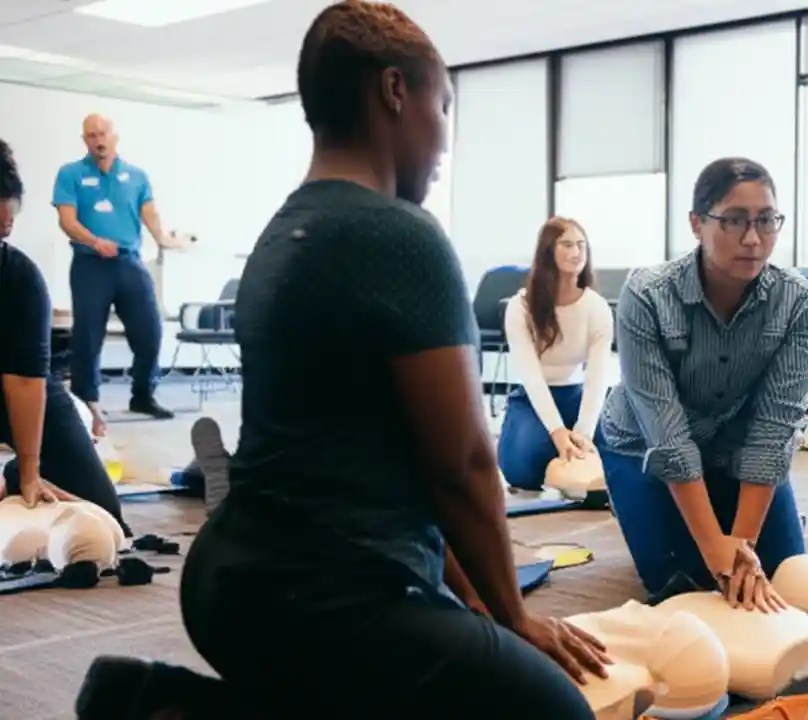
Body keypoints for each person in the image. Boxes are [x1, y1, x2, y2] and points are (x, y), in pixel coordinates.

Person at [75, 3, 607, 719]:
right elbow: (462, 466)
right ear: (395, 91)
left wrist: (475, 602)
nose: (445, 138)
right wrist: (513, 618)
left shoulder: (284, 233)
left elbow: (396, 465)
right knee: (557, 712)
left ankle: (151, 700)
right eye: (442, 105)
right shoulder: (399, 237)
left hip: (230, 582)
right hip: (328, 598)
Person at [599, 156, 808, 612]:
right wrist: (718, 553)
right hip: (642, 448)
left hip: (734, 446)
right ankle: (640, 506)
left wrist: (743, 547)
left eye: (766, 221)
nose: (754, 239)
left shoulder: (795, 300)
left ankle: (731, 517)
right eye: (734, 221)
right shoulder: (647, 294)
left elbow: (774, 427)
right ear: (697, 223)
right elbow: (667, 435)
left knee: (784, 577)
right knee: (685, 584)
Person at [0, 138, 130, 534]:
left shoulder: (18, 277)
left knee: (104, 520)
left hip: (17, 385)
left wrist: (29, 472)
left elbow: (25, 379)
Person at [53, 113, 183, 431]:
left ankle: (143, 395)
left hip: (129, 263)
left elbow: (149, 213)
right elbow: (67, 221)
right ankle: (85, 400)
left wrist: (163, 239)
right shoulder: (70, 174)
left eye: (103, 133)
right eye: (91, 135)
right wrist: (95, 241)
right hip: (90, 265)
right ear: (84, 140)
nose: (98, 140)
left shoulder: (137, 176)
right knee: (87, 335)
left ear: (115, 136)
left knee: (151, 330)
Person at [498, 216, 613, 490]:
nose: (576, 253)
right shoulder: (520, 307)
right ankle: (566, 469)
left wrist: (583, 433)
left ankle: (576, 472)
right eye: (567, 245)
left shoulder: (597, 308)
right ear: (548, 251)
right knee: (524, 466)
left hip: (576, 395)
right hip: (533, 398)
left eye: (581, 245)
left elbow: (597, 378)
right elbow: (531, 376)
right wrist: (558, 432)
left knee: (619, 449)